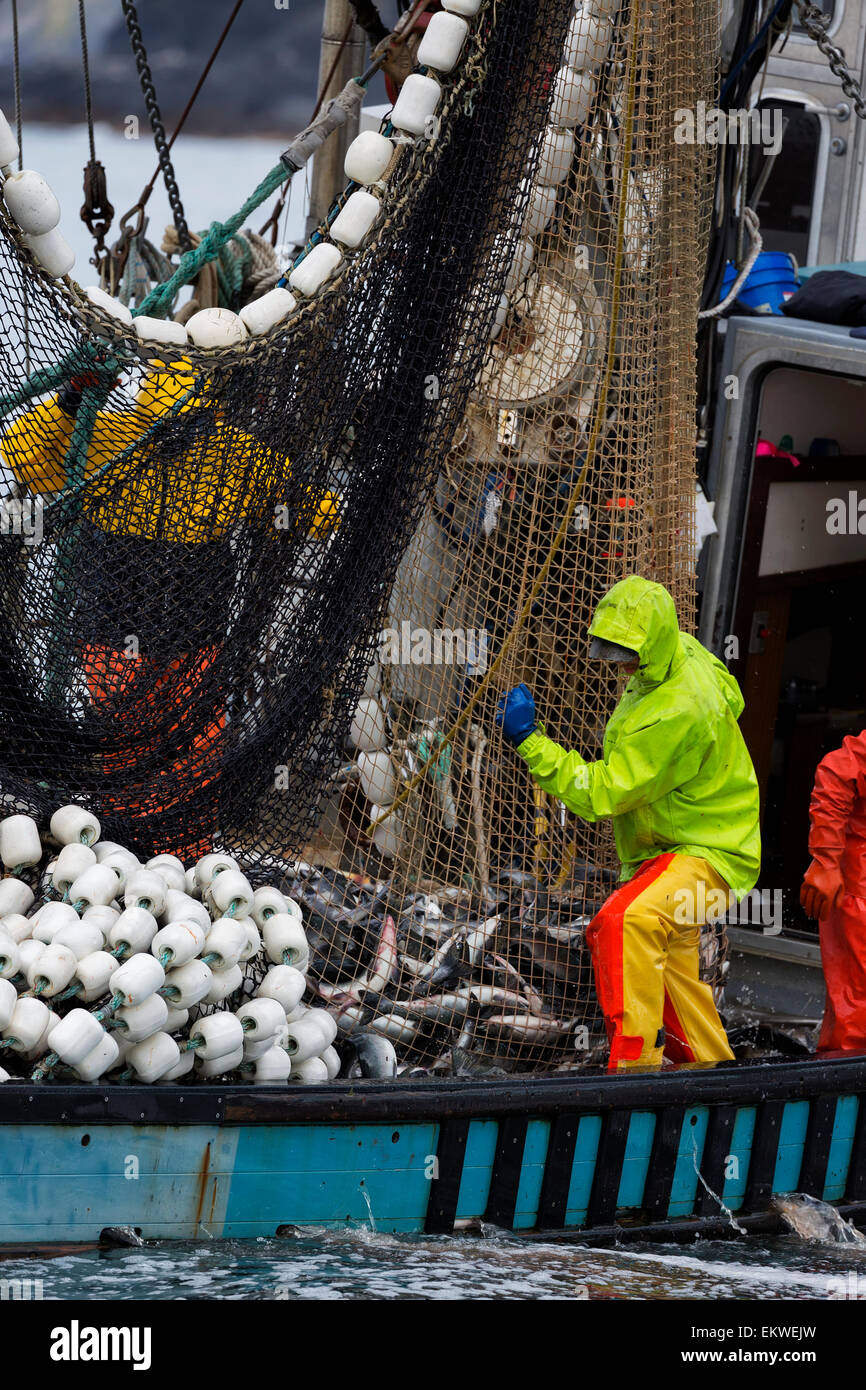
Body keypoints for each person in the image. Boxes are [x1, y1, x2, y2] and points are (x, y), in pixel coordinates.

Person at [2, 358, 340, 858]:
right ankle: (168, 862)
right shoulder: (225, 451)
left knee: (140, 759)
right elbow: (319, 515)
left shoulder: (119, 438)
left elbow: (21, 454)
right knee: (167, 762)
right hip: (163, 641)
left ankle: (135, 860)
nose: (177, 444)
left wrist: (72, 402)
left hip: (149, 641)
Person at [496, 574, 761, 1071]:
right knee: (675, 978)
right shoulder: (675, 651)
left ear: (651, 644)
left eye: (627, 653)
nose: (619, 665)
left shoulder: (679, 711)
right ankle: (713, 1074)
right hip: (689, 846)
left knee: (625, 921)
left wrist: (531, 741)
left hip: (708, 854)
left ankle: (633, 1069)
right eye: (613, 649)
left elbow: (604, 793)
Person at [800, 730, 866, 1052]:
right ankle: (840, 1099)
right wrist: (826, 859)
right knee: (855, 1021)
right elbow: (839, 771)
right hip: (860, 895)